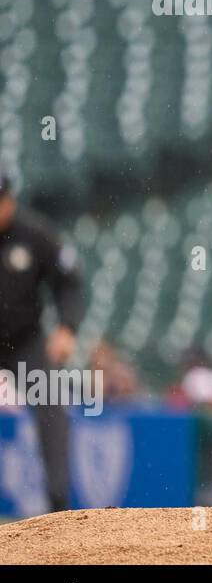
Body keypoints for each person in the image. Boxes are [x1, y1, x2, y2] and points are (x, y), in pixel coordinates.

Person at [0, 174, 82, 512]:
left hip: (25, 341)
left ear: (10, 200)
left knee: (51, 404)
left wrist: (66, 327)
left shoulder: (36, 234)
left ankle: (58, 504)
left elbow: (68, 282)